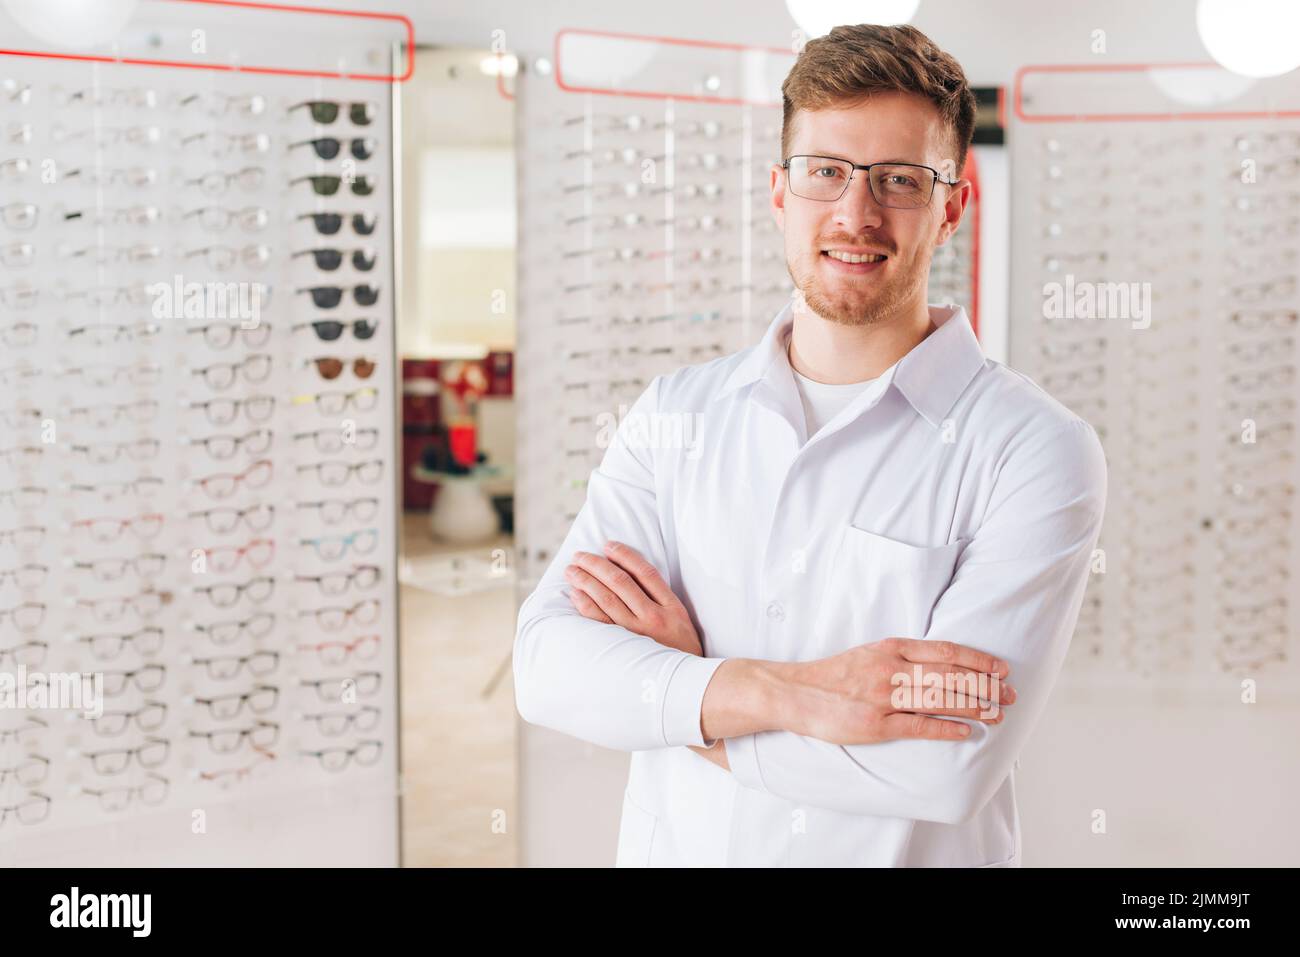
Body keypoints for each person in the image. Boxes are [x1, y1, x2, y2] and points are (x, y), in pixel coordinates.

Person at [513, 23, 1107, 866]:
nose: (855, 213)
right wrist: (784, 692)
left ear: (951, 207)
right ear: (780, 191)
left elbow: (943, 767)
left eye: (899, 179)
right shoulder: (675, 414)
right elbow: (547, 664)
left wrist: (685, 690)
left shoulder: (1035, 449)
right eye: (825, 171)